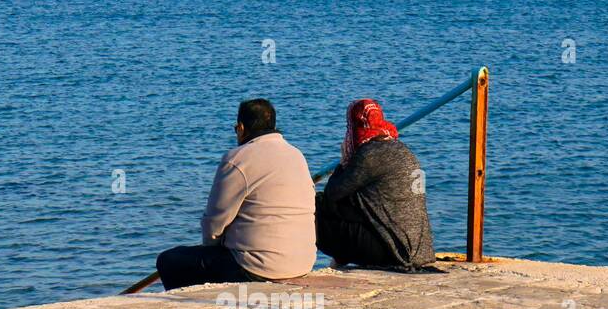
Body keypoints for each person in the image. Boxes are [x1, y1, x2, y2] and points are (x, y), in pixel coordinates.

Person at [155, 99, 316, 290]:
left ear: (241, 128)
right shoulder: (296, 155)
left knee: (169, 261)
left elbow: (215, 220)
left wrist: (213, 245)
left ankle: (192, 304)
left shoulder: (238, 159)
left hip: (258, 268)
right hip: (302, 262)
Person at [315, 98, 434, 271]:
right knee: (344, 207)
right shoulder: (401, 148)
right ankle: (338, 262)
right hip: (418, 248)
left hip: (394, 251)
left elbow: (332, 193)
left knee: (314, 210)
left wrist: (343, 162)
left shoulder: (370, 153)